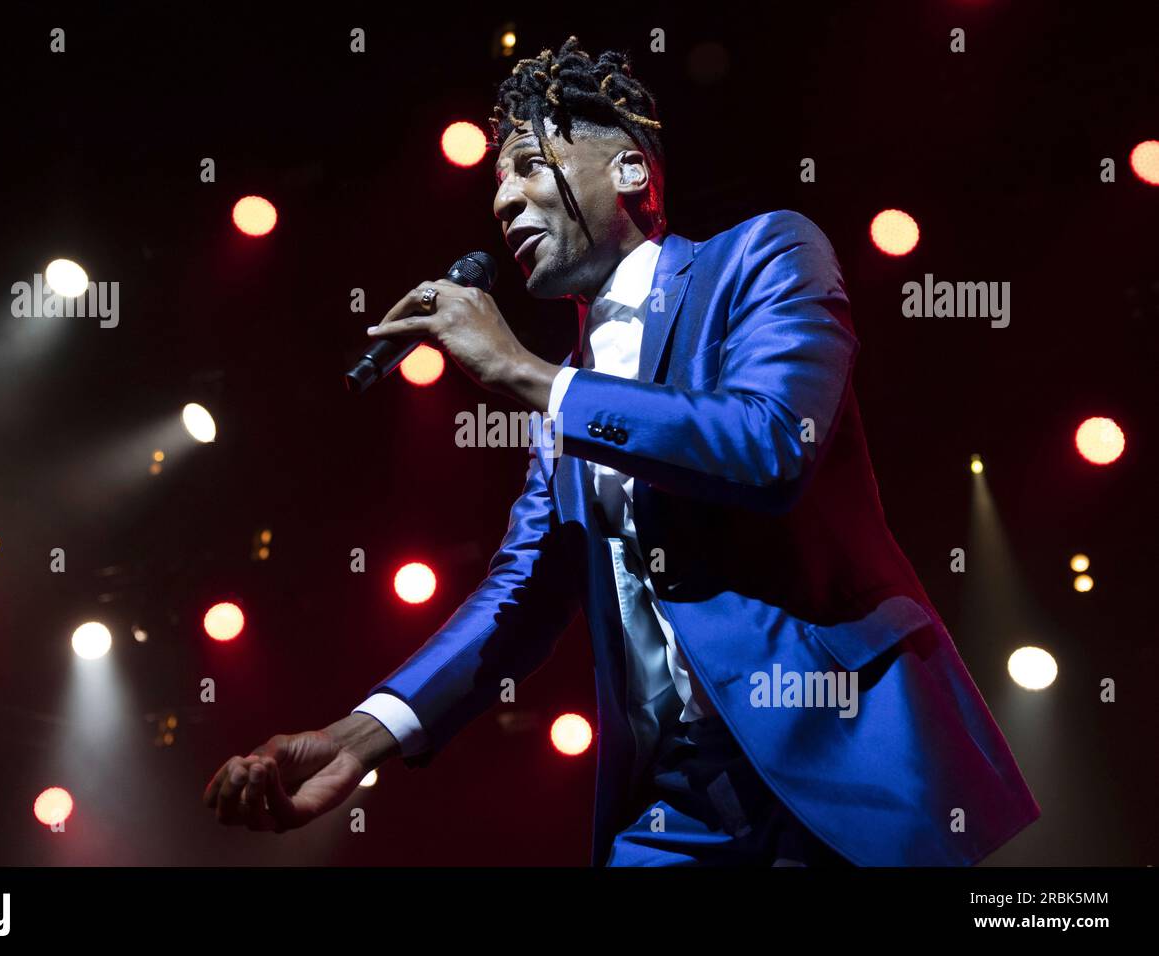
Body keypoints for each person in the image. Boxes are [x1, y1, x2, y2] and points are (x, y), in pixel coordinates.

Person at [204, 35, 1039, 866]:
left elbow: (772, 443)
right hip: (674, 802)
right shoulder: (569, 385)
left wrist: (524, 373)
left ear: (632, 173)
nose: (503, 201)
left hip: (838, 766)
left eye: (528, 165)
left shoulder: (763, 256)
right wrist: (359, 739)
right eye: (496, 183)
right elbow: (522, 588)